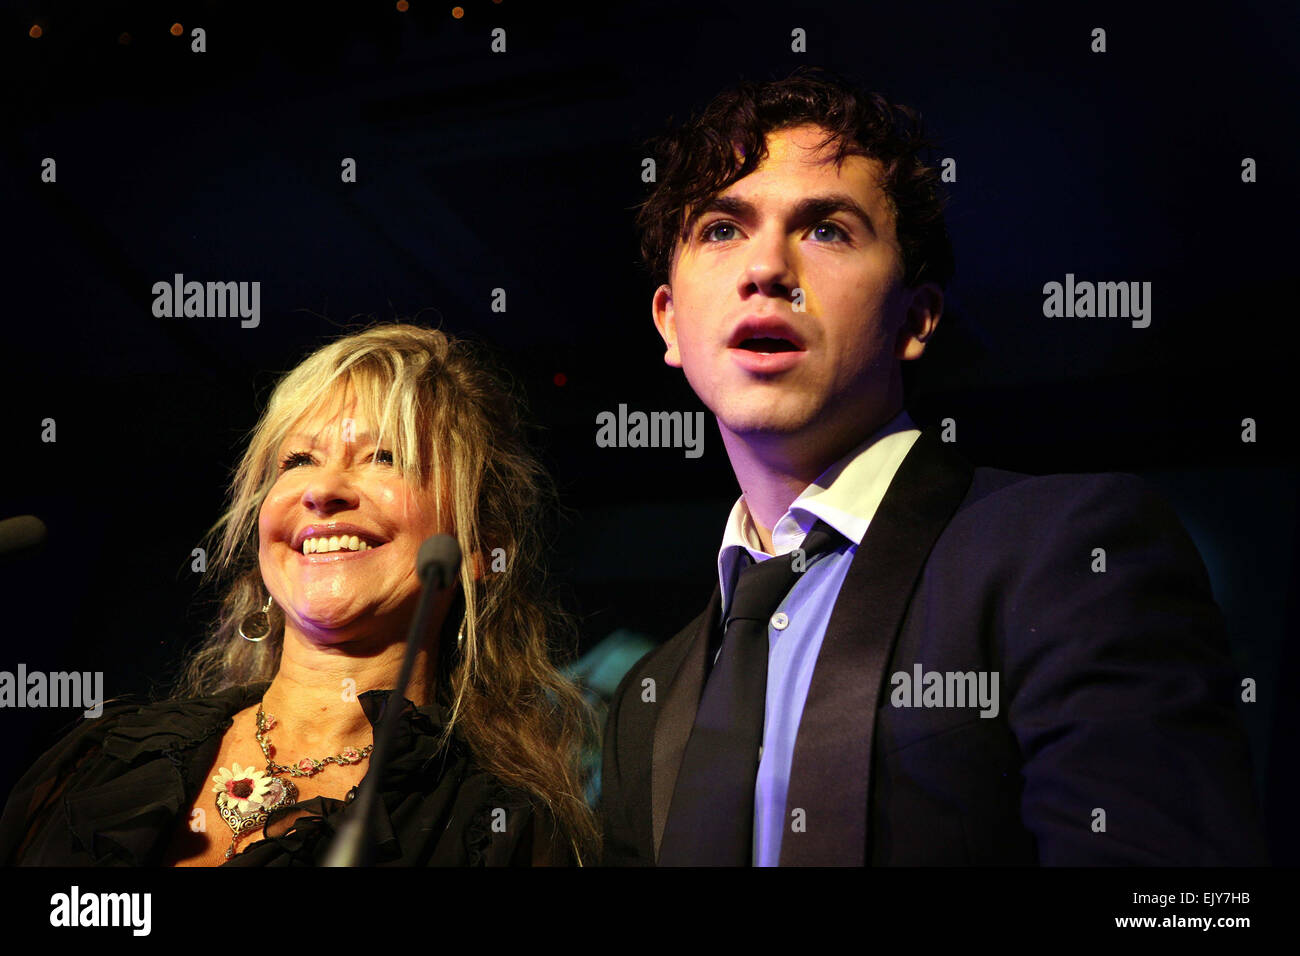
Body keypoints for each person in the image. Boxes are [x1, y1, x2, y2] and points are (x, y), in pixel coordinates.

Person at [599, 69, 1269, 865]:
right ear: (669, 323)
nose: (766, 268)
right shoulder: (647, 697)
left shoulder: (1066, 553)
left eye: (827, 230)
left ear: (916, 319)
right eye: (721, 229)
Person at [0, 323, 599, 865]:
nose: (323, 490)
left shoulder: (497, 835)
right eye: (299, 459)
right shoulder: (104, 760)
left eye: (385, 457)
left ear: (478, 549)